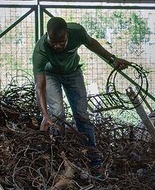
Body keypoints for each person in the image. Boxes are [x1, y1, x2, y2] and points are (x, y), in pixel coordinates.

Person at [32, 17, 129, 155]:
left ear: (67, 35)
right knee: (57, 114)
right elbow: (39, 86)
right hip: (51, 75)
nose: (57, 46)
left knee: (82, 114)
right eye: (53, 43)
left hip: (73, 73)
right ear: (47, 36)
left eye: (62, 42)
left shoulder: (77, 31)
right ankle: (59, 153)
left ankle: (91, 154)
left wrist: (112, 59)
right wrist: (45, 115)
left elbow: (92, 44)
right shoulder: (40, 51)